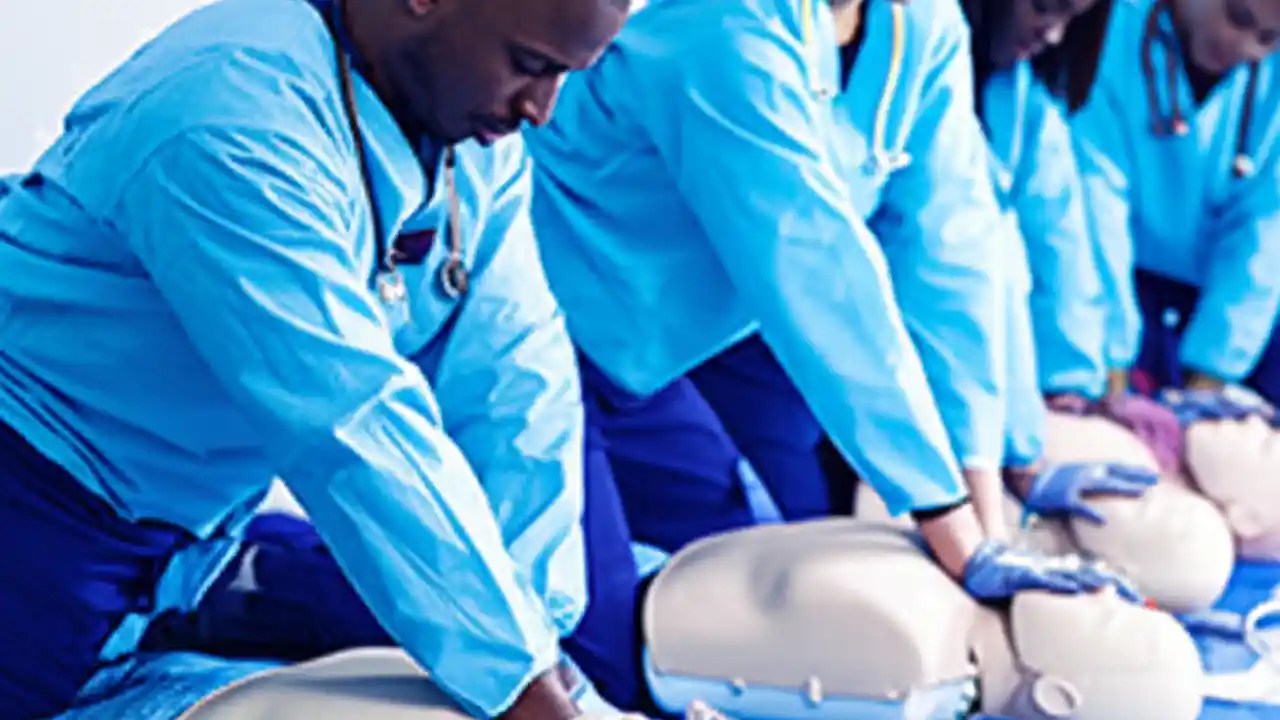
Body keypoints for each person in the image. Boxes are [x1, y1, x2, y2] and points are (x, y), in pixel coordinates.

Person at [0, 0, 626, 715]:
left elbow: (517, 377)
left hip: (184, 535)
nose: (542, 109)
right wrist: (516, 679)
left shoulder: (468, 136)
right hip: (32, 506)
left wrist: (539, 641)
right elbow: (347, 418)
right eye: (531, 65)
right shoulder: (227, 114)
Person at [1064, 0, 1280, 416]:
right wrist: (1110, 354)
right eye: (1236, 17)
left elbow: (1264, 233)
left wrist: (1213, 374)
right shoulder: (1114, 27)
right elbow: (1095, 202)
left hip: (1220, 314)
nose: (1243, 46)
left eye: (1268, 38)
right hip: (1104, 289)